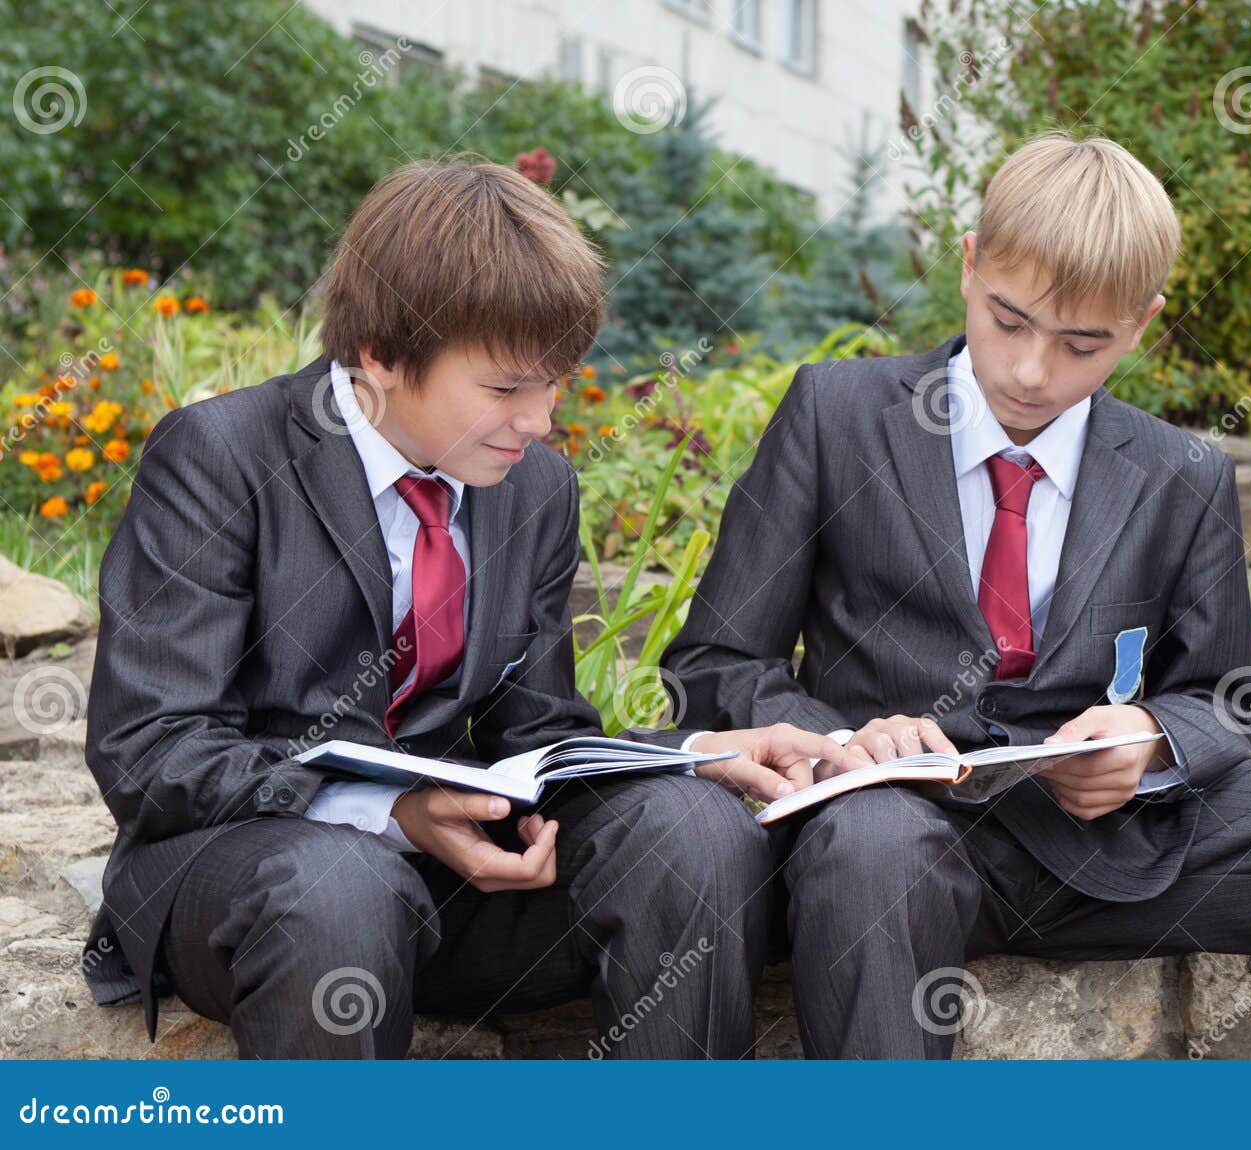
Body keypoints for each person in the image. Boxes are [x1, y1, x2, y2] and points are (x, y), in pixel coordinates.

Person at [663, 133, 1251, 1060]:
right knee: (873, 850)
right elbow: (717, 668)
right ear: (970, 267)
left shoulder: (1182, 472)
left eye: (1082, 344)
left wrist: (1152, 741)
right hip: (887, 840)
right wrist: (848, 741)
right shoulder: (835, 415)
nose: (1029, 371)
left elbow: (1225, 699)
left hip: (1119, 847)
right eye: (1009, 321)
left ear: (1143, 324)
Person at [83, 160, 848, 1059]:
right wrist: (385, 810)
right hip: (252, 875)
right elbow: (152, 750)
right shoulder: (222, 458)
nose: (541, 420)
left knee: (693, 830)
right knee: (338, 889)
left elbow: (541, 733)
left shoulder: (535, 490)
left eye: (555, 384)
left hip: (451, 885)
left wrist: (692, 753)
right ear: (380, 353)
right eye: (506, 388)